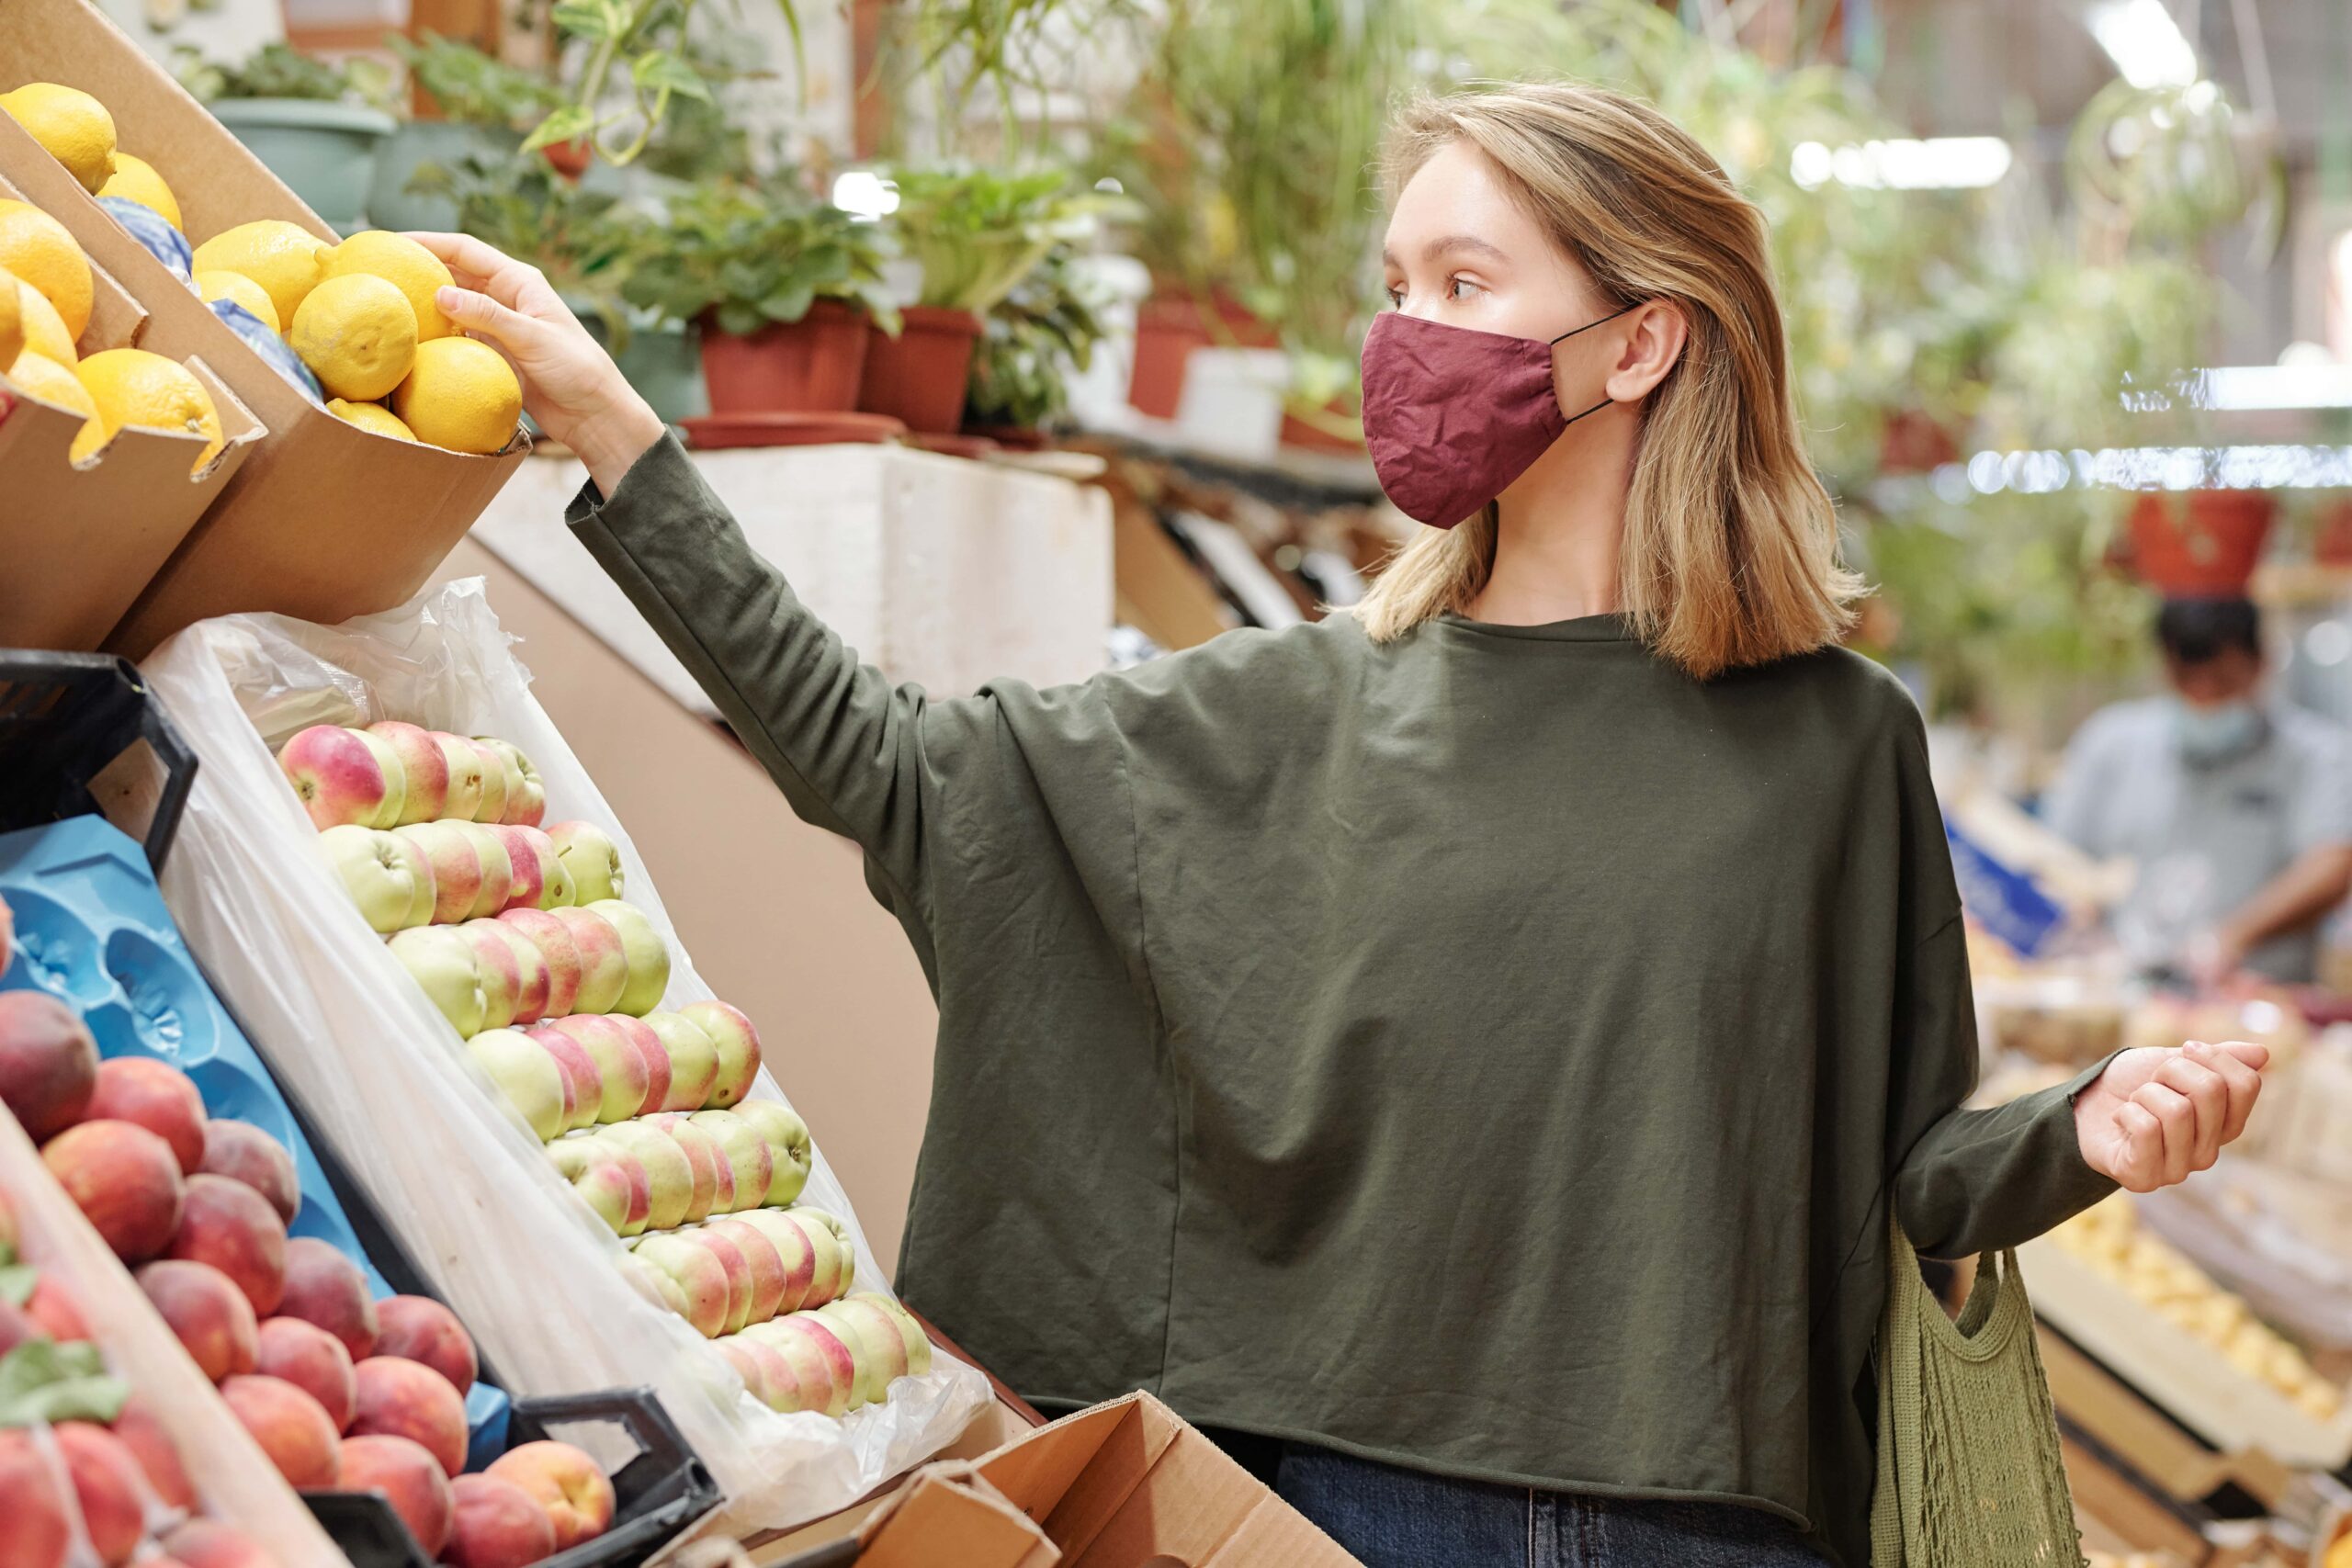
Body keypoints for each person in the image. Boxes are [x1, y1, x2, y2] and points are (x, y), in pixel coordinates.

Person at [413, 81, 2267, 1568]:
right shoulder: (1293, 708)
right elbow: (888, 770)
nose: (1404, 334)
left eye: (1463, 282)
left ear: (1640, 343)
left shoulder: (1834, 745)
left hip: (1713, 1524)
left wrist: (2082, 1134)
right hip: (1341, 1510)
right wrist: (620, 437)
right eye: (1399, 283)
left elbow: (1900, 1175)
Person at [2045, 596, 2352, 986]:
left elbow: (2333, 864)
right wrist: (2079, 925)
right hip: (2120, 989)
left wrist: (2231, 938)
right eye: (2185, 679)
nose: (2203, 697)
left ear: (2260, 664)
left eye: (2223, 681)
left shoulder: (2318, 755)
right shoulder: (2111, 743)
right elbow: (2058, 862)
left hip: (2256, 994)